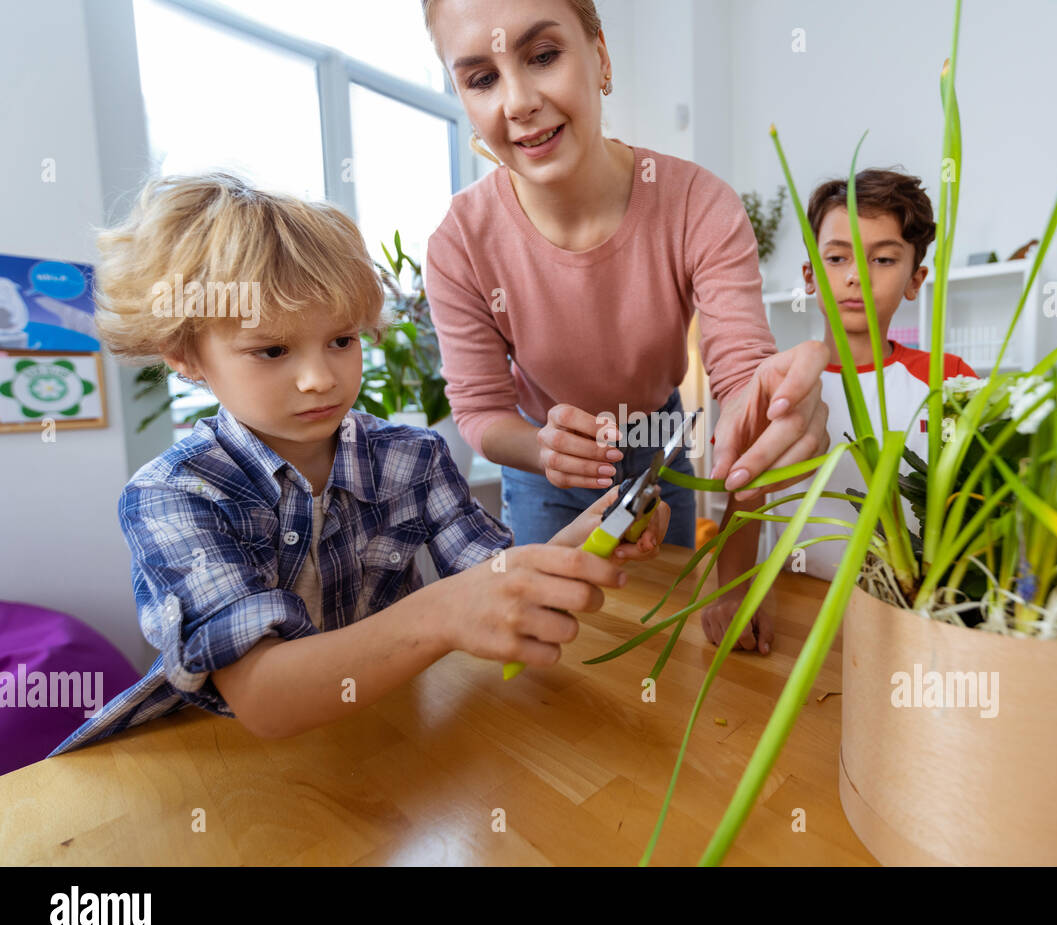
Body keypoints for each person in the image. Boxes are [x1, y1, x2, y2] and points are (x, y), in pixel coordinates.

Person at [49, 172, 668, 755]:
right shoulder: (174, 494)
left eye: (342, 341)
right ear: (186, 354)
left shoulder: (413, 458)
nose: (320, 379)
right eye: (272, 349)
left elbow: (494, 578)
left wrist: (581, 542)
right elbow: (264, 698)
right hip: (231, 762)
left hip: (388, 735)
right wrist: (442, 613)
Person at [421, 0, 830, 553]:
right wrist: (545, 450)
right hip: (542, 465)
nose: (517, 102)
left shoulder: (698, 204)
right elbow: (481, 410)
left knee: (663, 620)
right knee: (564, 633)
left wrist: (764, 411)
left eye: (543, 55)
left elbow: (740, 379)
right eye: (482, 79)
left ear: (601, 56)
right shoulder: (458, 244)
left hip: (659, 443)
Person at [703, 168, 978, 653]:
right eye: (836, 258)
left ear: (917, 279)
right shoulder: (779, 382)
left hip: (911, 622)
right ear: (810, 276)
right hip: (799, 614)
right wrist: (735, 591)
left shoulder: (948, 380)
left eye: (884, 259)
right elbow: (745, 496)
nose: (855, 275)